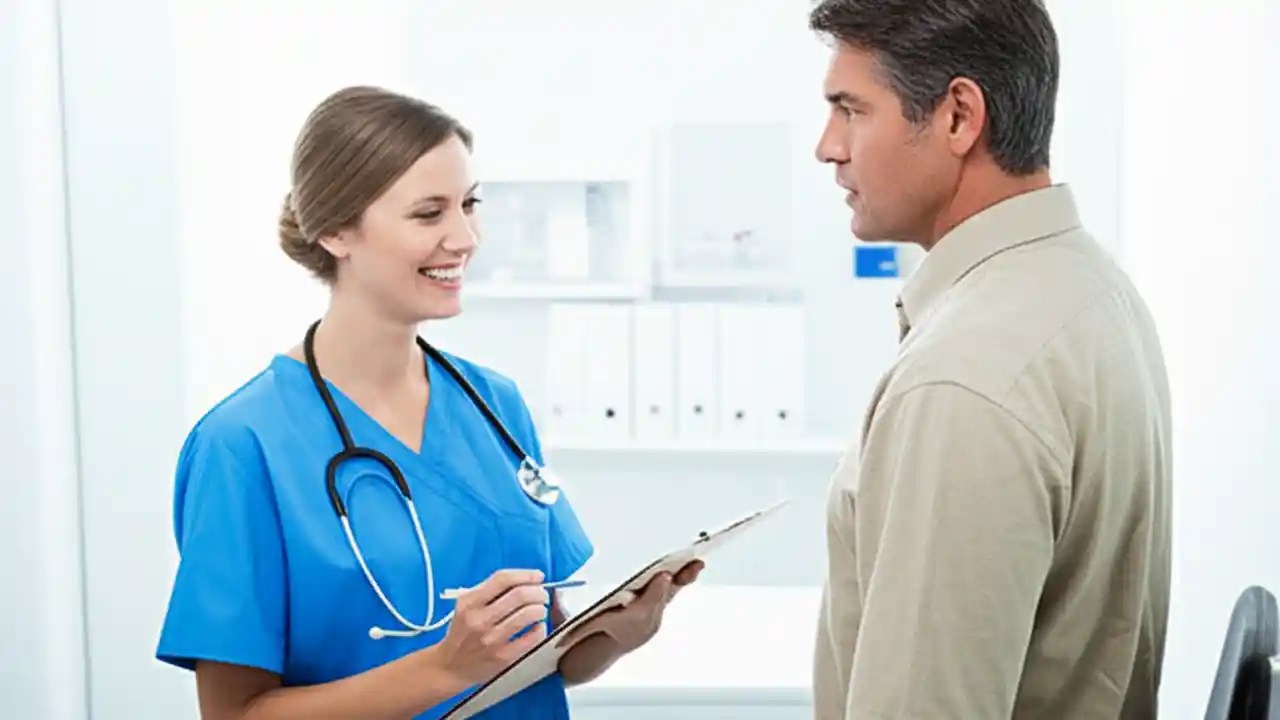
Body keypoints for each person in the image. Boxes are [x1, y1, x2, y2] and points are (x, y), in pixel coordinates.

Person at [154, 85, 702, 720]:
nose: (465, 237)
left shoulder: (493, 403)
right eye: (428, 213)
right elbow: (234, 715)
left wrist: (616, 635)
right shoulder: (243, 443)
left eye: (469, 205)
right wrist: (445, 668)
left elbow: (547, 657)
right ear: (335, 228)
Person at [807, 1, 1171, 718]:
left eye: (852, 110)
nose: (828, 147)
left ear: (958, 117)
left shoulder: (964, 376)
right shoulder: (1091, 289)